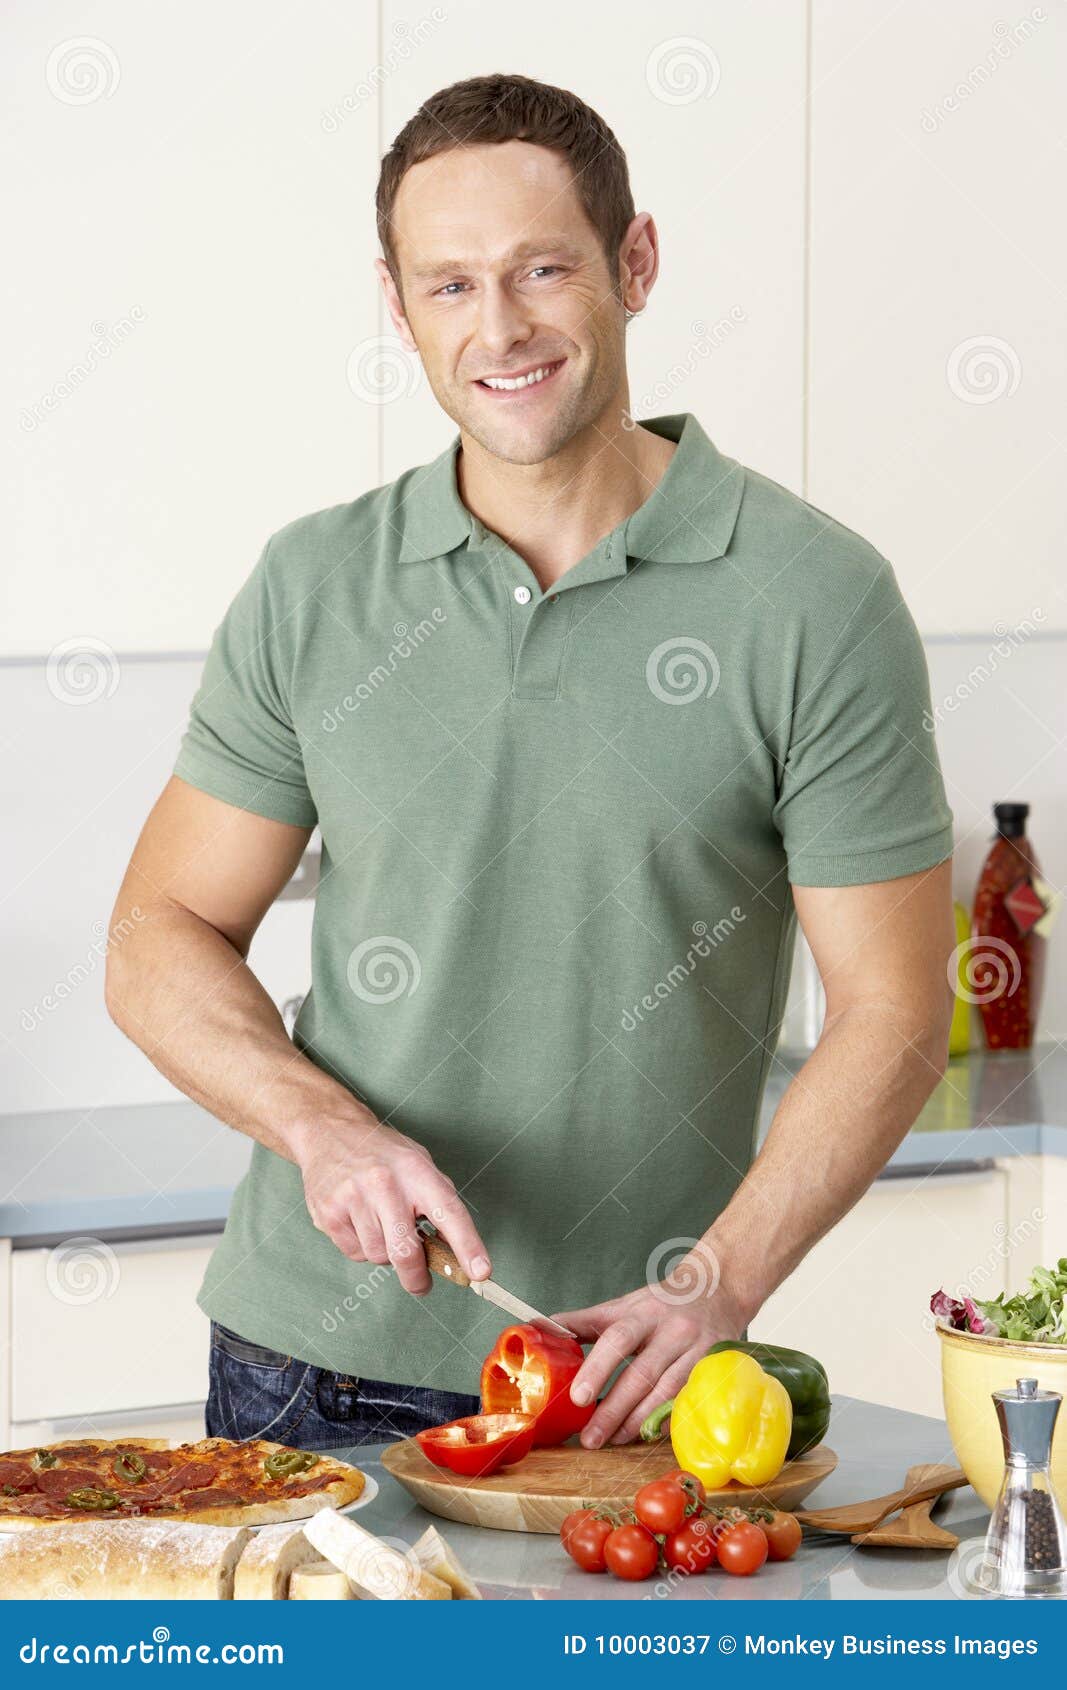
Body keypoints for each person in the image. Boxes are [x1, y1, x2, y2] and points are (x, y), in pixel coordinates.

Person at [106, 73, 955, 1452]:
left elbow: (897, 1007)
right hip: (310, 1364)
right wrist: (322, 1127)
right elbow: (159, 930)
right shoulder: (316, 587)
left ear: (636, 264)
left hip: (637, 1377)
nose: (495, 328)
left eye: (541, 270)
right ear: (398, 307)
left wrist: (717, 1283)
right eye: (447, 286)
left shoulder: (815, 598)